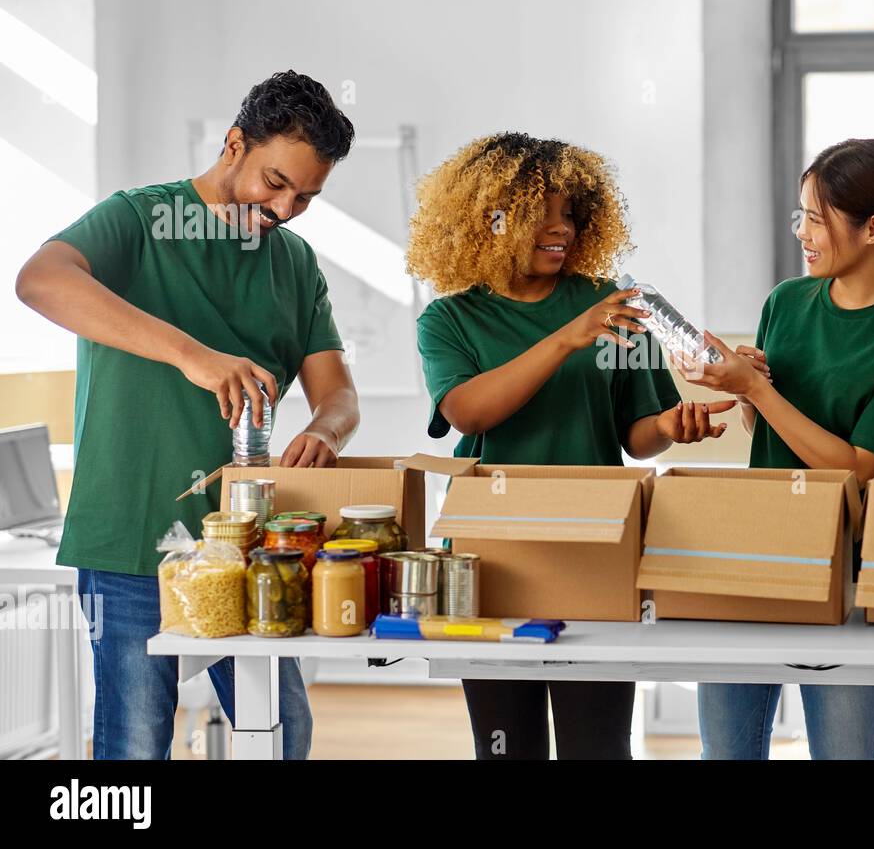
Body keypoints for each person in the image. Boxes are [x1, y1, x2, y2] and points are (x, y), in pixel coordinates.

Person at [15, 71, 361, 759]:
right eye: (275, 182)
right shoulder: (137, 220)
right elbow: (39, 280)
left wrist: (325, 429)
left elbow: (340, 393)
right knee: (137, 743)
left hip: (245, 545)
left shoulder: (292, 262)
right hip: (131, 539)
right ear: (234, 145)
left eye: (307, 196)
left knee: (285, 730)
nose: (287, 208)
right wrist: (192, 355)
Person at [410, 132, 733, 759]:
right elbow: (466, 409)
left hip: (595, 547)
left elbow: (637, 434)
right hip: (491, 553)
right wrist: (565, 338)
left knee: (599, 747)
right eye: (540, 213)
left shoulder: (609, 305)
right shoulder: (448, 320)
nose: (560, 229)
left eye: (570, 213)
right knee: (506, 748)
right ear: (491, 219)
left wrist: (670, 427)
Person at [685, 138, 874, 759]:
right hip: (757, 555)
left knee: (844, 755)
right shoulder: (786, 303)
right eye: (800, 216)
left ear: (873, 229)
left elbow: (856, 472)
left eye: (816, 218)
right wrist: (751, 399)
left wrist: (756, 386)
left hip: (853, 572)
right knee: (726, 752)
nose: (802, 233)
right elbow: (775, 441)